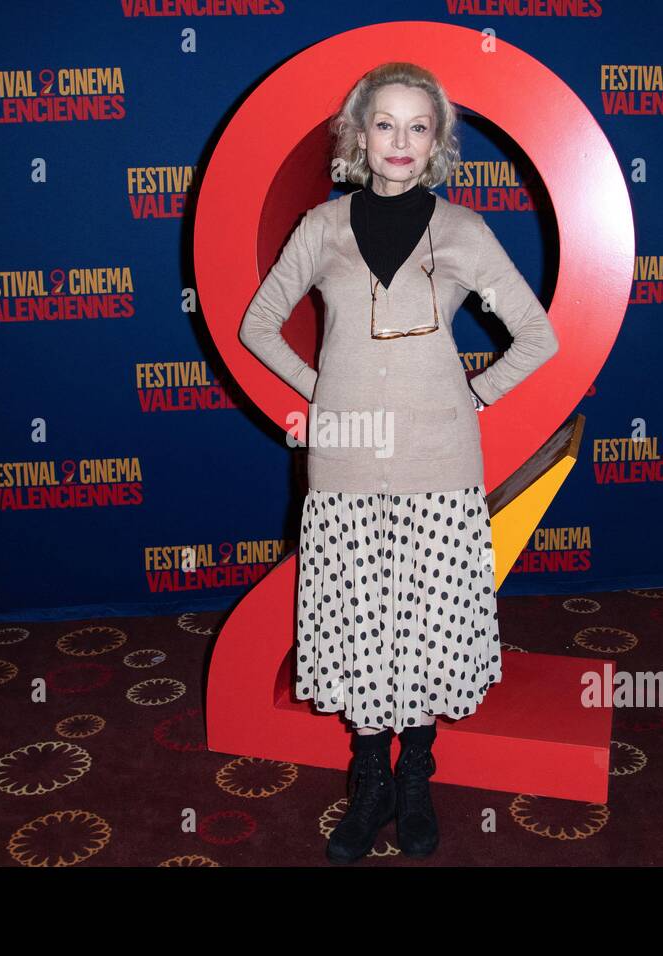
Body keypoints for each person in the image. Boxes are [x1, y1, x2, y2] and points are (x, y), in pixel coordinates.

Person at [238, 62, 559, 864]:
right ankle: (369, 779)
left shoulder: (464, 232)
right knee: (360, 623)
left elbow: (537, 336)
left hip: (439, 461)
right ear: (359, 134)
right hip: (345, 465)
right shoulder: (322, 226)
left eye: (420, 126)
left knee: (424, 623)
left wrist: (475, 397)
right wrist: (325, 395)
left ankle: (415, 775)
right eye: (386, 123)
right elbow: (258, 323)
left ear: (439, 141)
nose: (401, 141)